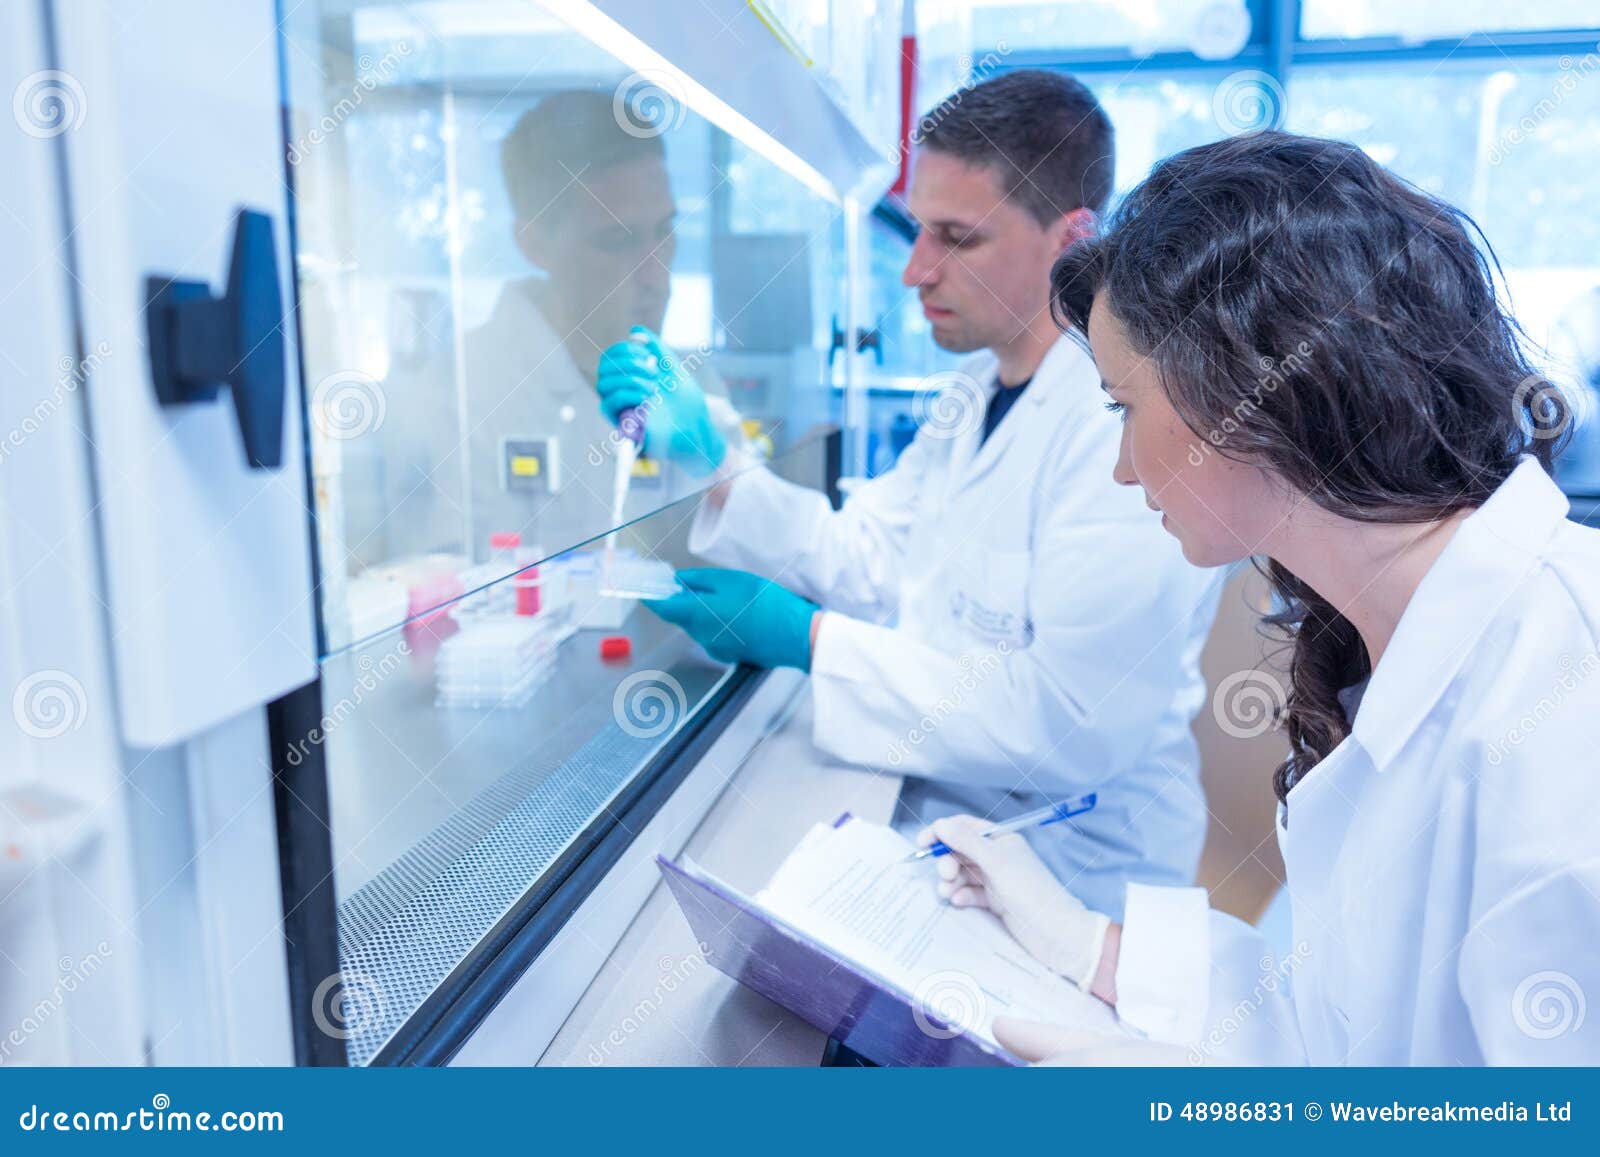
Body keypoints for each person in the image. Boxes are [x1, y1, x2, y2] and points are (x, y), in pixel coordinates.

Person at [925, 131, 1600, 1066]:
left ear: (1251, 387)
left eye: (1126, 407)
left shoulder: (1567, 702)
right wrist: (1088, 946)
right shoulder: (1385, 633)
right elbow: (1350, 1028)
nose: (1122, 468)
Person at [600, 71, 1222, 919]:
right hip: (950, 820)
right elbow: (869, 558)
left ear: (1073, 240)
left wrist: (812, 640)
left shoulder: (1123, 426)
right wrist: (716, 460)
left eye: (956, 238)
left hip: (1073, 882)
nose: (914, 271)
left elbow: (1071, 723)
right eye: (917, 231)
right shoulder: (974, 390)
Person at [386, 89, 743, 562]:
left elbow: (749, 557)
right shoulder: (453, 397)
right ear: (534, 243)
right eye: (618, 240)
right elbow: (434, 596)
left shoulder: (691, 385)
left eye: (664, 232)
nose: (656, 273)